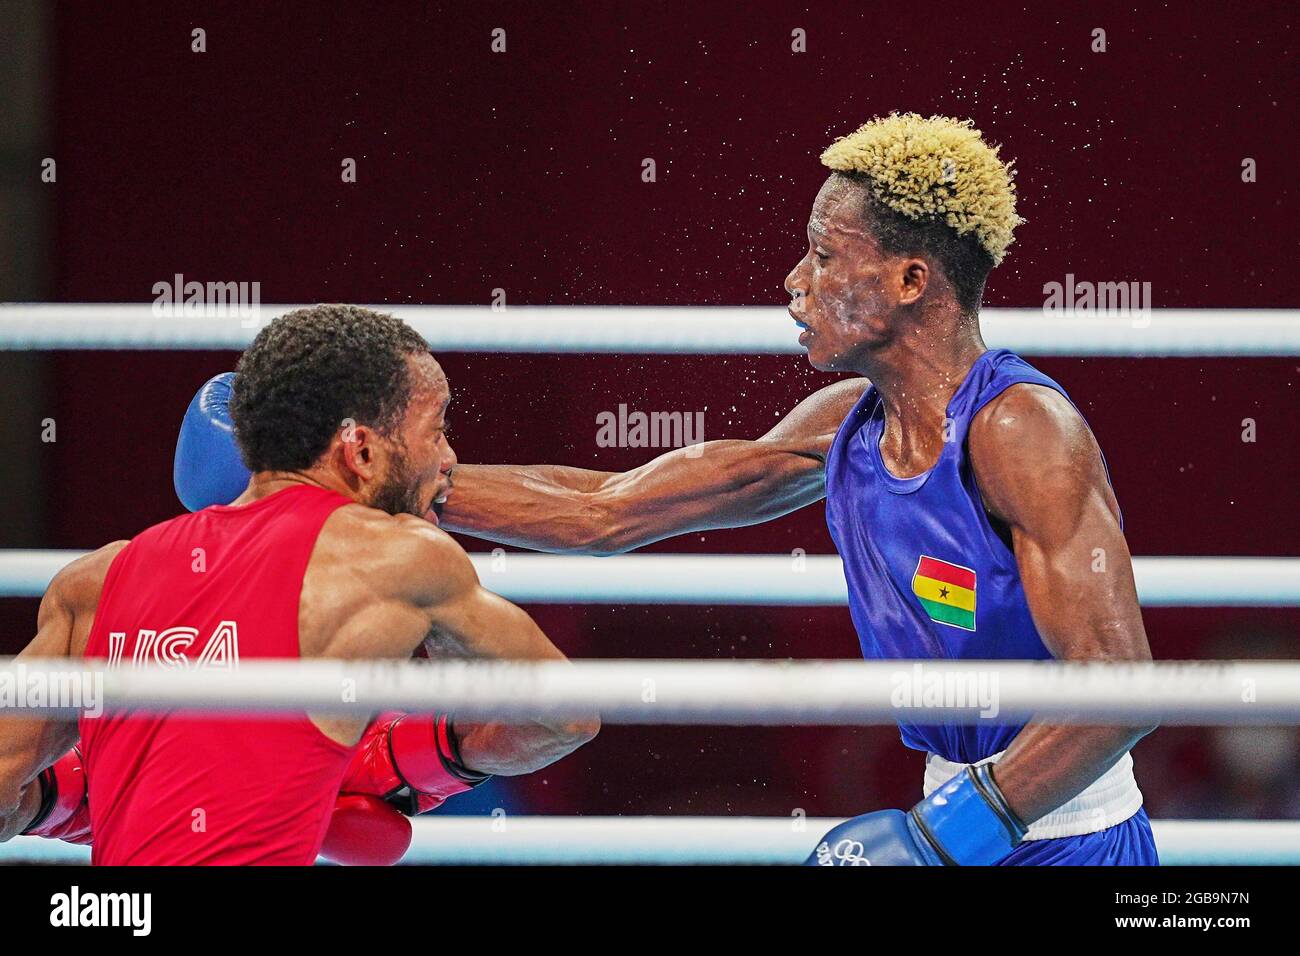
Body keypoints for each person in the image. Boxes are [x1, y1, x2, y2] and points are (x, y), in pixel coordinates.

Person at [171, 114, 1160, 866]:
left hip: (1060, 825)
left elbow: (1119, 689)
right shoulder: (844, 427)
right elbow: (608, 508)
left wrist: (948, 835)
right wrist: (372, 485)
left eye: (823, 256)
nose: (791, 280)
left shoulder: (1021, 429)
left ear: (908, 278)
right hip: (966, 798)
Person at [0, 305, 598, 865]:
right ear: (360, 450)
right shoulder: (400, 561)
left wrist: (79, 806)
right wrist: (394, 767)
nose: (448, 458)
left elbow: (5, 778)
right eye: (436, 430)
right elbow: (564, 717)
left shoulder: (95, 583)